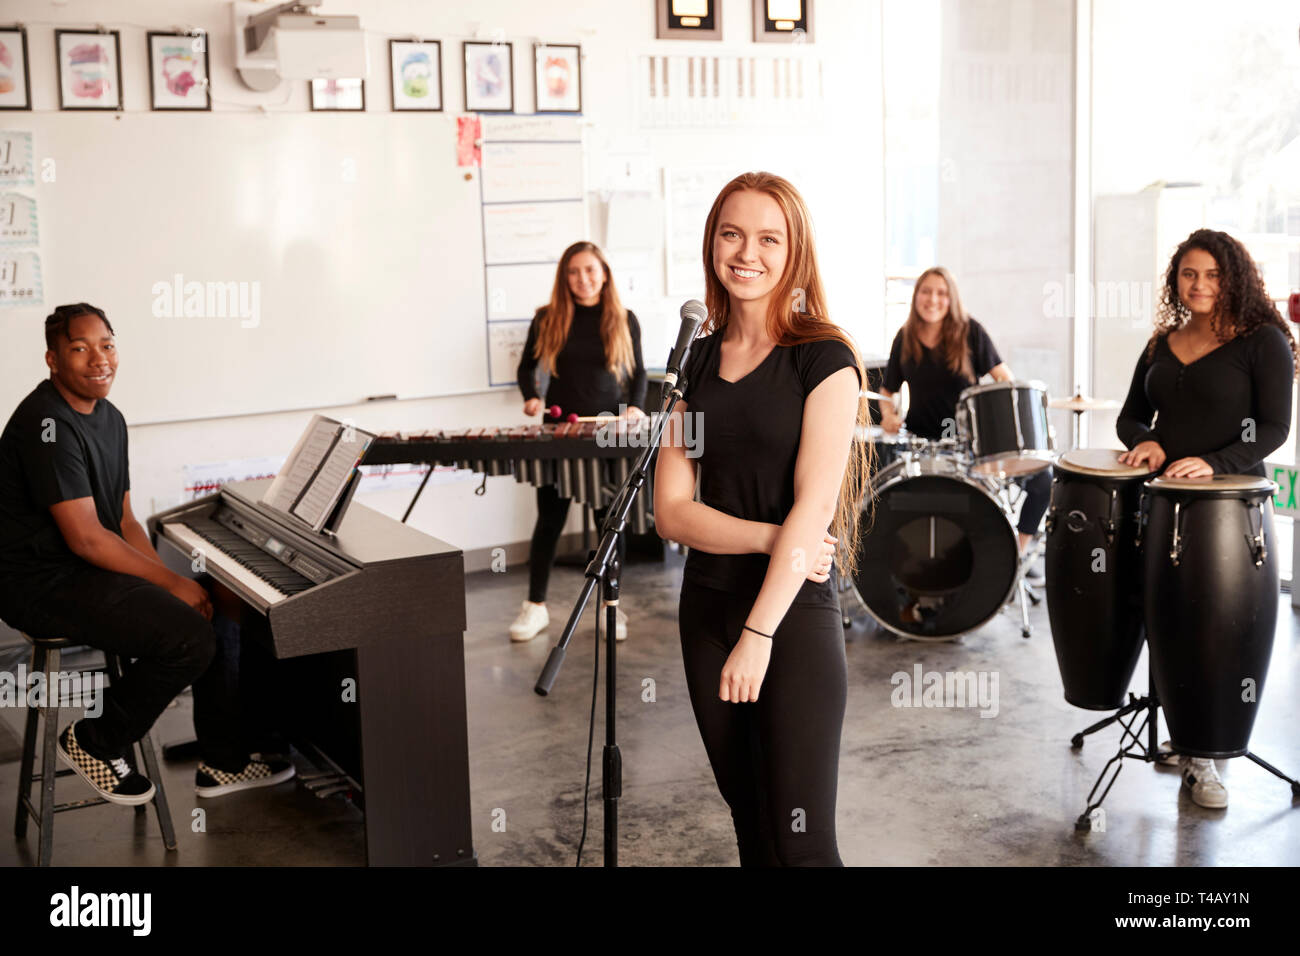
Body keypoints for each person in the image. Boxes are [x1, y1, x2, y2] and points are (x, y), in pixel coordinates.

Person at [655, 172, 868, 866]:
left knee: (802, 843)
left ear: (794, 251)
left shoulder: (824, 359)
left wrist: (759, 632)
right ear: (713, 243)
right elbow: (671, 511)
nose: (748, 252)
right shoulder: (694, 361)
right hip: (706, 608)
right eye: (732, 233)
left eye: (768, 238)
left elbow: (815, 507)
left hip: (791, 618)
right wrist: (774, 537)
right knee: (752, 831)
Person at [0, 304, 295, 806]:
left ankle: (223, 761)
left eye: (107, 345)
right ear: (52, 359)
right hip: (39, 583)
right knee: (188, 637)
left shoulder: (109, 418)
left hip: (82, 570)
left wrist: (176, 584)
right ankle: (95, 740)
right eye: (80, 348)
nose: (99, 359)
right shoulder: (46, 424)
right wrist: (170, 586)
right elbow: (87, 539)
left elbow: (125, 522)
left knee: (213, 602)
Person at [1116, 228, 1297, 809]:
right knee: (1167, 621)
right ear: (1176, 280)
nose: (1199, 285)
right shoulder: (1163, 342)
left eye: (1213, 275)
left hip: (1229, 508)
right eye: (1189, 274)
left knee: (1216, 631)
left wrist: (1214, 463)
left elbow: (1273, 428)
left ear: (1233, 278)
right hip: (1165, 501)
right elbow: (1130, 417)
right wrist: (1150, 444)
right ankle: (1183, 735)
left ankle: (1210, 758)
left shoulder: (1262, 340)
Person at [512, 242, 647, 643]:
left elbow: (638, 373)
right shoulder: (547, 318)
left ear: (604, 273)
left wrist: (635, 409)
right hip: (559, 431)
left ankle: (611, 608)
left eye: (590, 270)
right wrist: (531, 397)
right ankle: (535, 607)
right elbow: (526, 367)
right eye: (573, 272)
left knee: (608, 524)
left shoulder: (624, 318)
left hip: (606, 431)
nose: (582, 279)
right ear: (564, 276)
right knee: (549, 522)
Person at [878, 267, 1050, 561]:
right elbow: (886, 391)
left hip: (970, 446)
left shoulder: (971, 331)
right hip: (921, 445)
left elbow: (1005, 379)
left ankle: (1017, 555)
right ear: (916, 296)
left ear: (951, 299)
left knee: (1043, 479)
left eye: (941, 293)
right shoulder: (904, 337)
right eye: (926, 291)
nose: (933, 299)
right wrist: (887, 416)